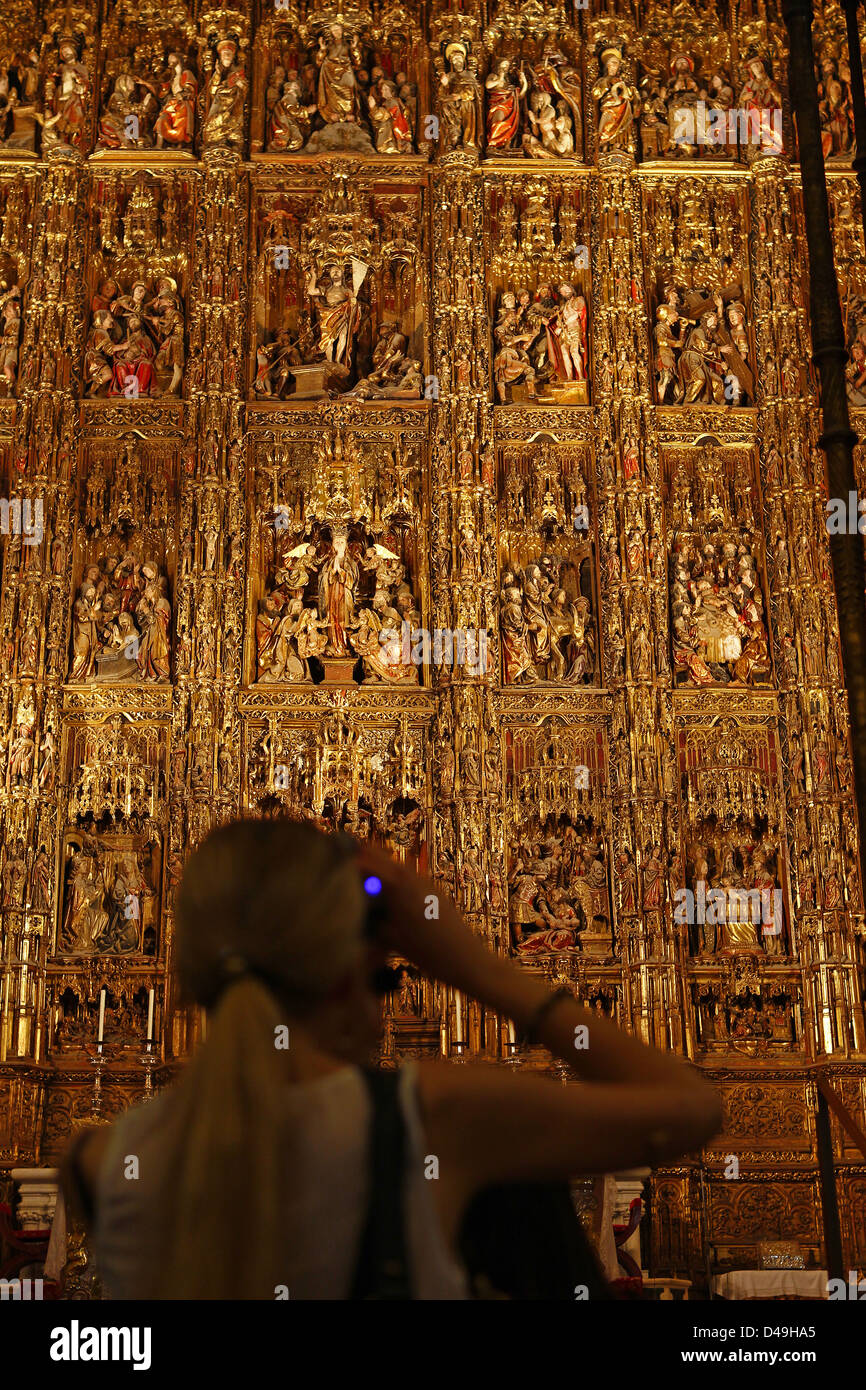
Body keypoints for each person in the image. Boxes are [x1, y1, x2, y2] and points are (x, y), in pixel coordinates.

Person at [63, 818, 721, 1300]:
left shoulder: (98, 1163)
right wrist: (478, 967)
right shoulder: (431, 1117)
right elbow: (692, 1107)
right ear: (357, 968)